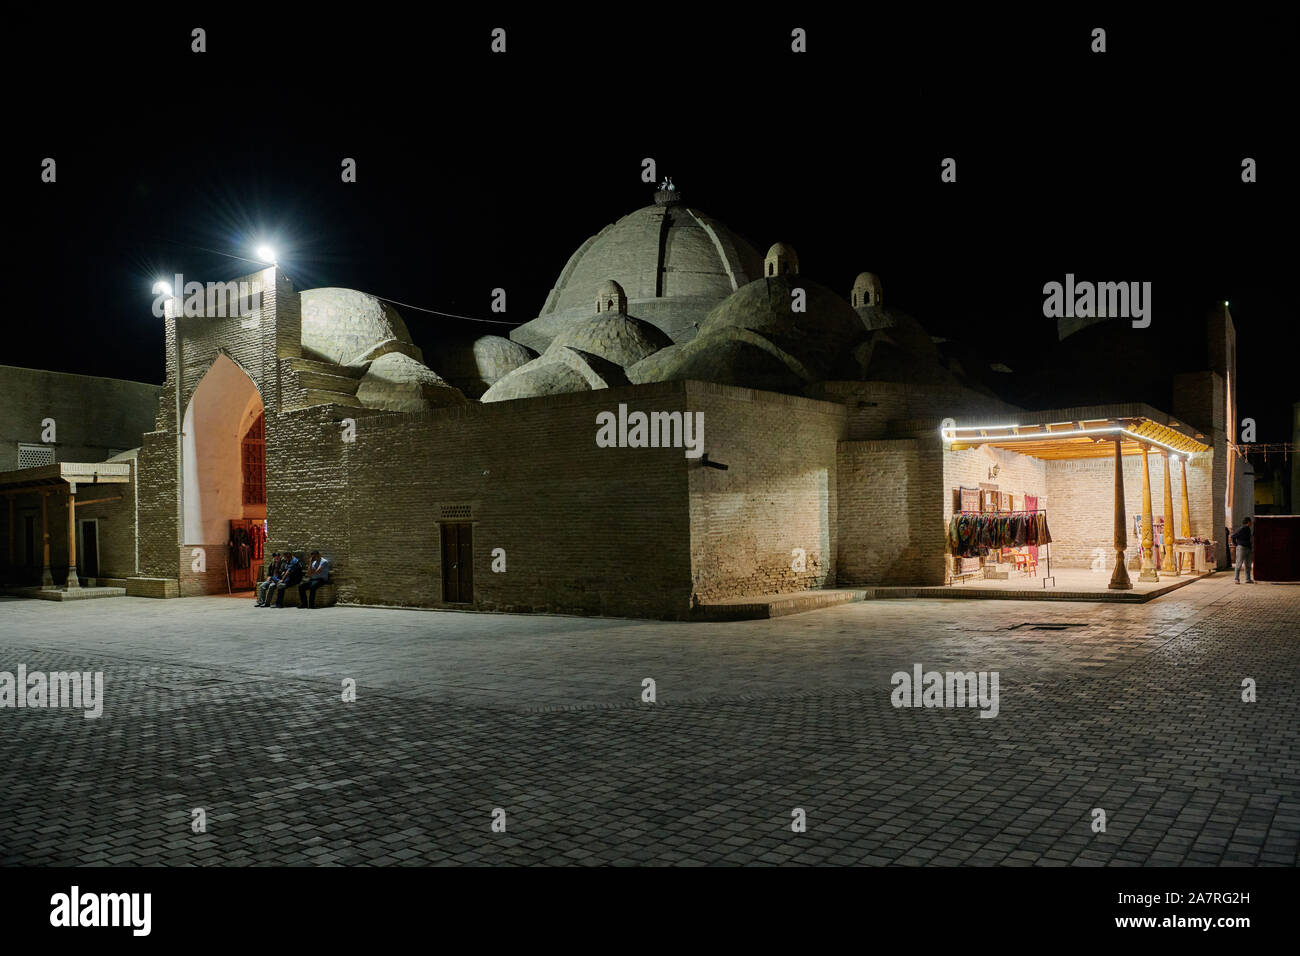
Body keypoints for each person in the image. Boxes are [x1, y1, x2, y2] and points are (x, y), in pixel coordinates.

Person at [1231, 517, 1255, 584]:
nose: (1251, 523)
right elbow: (1233, 536)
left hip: (1248, 548)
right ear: (1248, 522)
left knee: (1248, 564)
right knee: (1239, 563)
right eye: (1250, 522)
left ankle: (1248, 579)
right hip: (1242, 548)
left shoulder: (1248, 529)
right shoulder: (1242, 529)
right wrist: (1237, 545)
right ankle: (1236, 579)